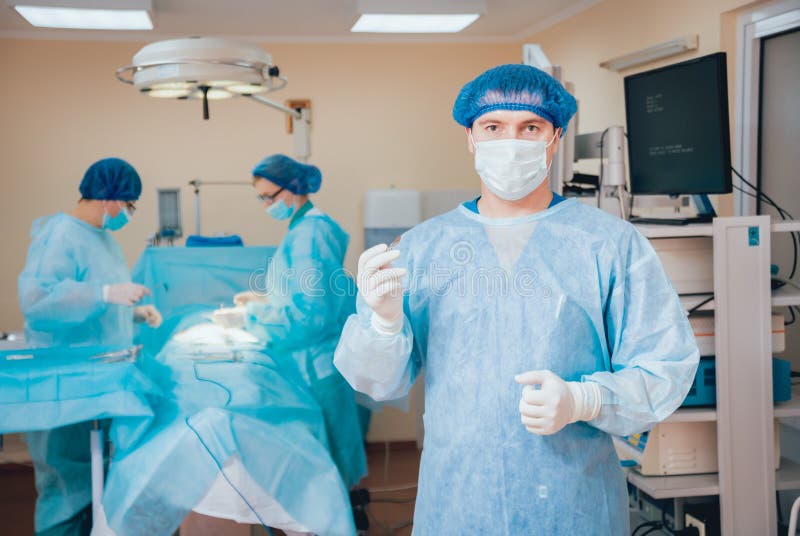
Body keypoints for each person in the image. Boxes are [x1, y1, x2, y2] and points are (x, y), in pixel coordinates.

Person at [334, 64, 700, 533]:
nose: (511, 140)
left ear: (554, 137)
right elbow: (378, 383)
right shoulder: (424, 247)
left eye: (530, 127)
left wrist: (584, 399)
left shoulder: (609, 244)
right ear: (471, 138)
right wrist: (383, 325)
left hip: (572, 503)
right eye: (493, 127)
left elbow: (666, 366)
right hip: (460, 500)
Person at [18, 157, 161, 535]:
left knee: (96, 484)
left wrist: (132, 312)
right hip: (64, 383)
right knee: (66, 489)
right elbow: (38, 302)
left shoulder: (103, 239)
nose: (127, 214)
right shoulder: (60, 236)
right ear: (110, 198)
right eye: (129, 206)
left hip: (95, 379)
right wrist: (105, 292)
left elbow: (96, 309)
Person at [236, 154, 366, 489]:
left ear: (292, 189)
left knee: (329, 473)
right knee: (329, 469)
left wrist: (251, 316)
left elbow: (310, 317)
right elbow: (304, 293)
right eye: (261, 198)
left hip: (316, 365)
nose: (266, 205)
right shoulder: (304, 229)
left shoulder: (310, 234)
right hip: (316, 360)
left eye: (270, 197)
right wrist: (263, 300)